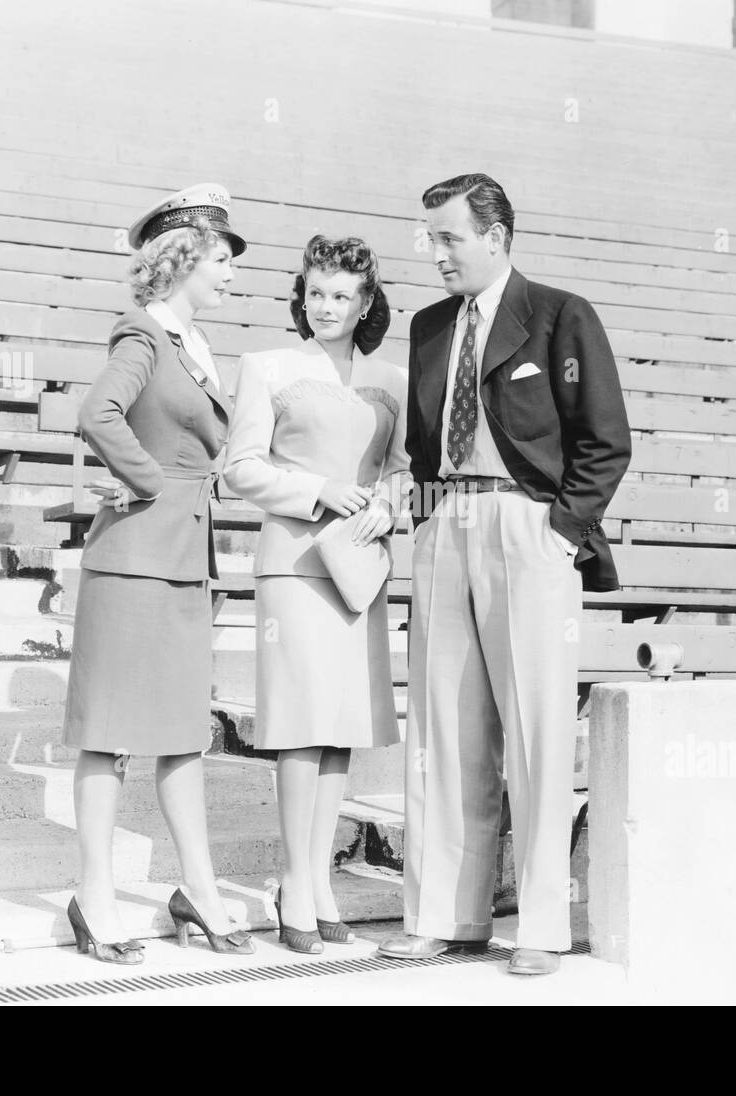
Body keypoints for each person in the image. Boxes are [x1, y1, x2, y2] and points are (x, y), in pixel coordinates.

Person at [378, 173, 631, 975]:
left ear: (495, 236)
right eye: (431, 238)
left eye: (449, 237)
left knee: (536, 735)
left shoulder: (559, 316)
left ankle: (542, 928)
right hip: (445, 525)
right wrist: (423, 518)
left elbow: (605, 440)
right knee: (446, 734)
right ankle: (445, 915)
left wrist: (561, 533)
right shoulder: (426, 328)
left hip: (528, 529)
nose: (437, 253)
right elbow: (423, 446)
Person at [61, 183, 254, 963]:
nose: (230, 276)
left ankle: (200, 892)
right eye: (219, 260)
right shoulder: (143, 333)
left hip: (180, 568)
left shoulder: (193, 347)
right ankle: (95, 898)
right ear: (181, 260)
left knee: (181, 738)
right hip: (135, 562)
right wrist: (146, 483)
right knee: (109, 739)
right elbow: (97, 413)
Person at [224, 235, 408, 954]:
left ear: (366, 303)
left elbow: (400, 471)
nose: (325, 306)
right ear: (301, 293)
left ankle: (321, 880)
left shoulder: (389, 379)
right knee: (301, 723)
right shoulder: (266, 367)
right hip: (296, 563)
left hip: (356, 566)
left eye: (341, 295)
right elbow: (241, 467)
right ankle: (294, 880)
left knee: (341, 726)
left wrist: (388, 508)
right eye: (316, 291)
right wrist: (319, 491)